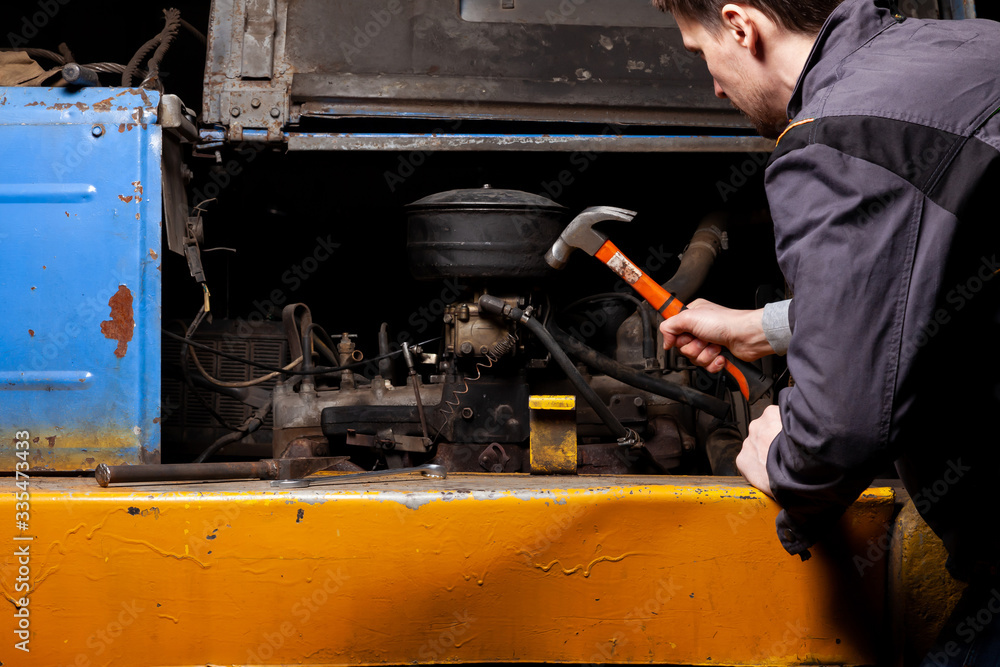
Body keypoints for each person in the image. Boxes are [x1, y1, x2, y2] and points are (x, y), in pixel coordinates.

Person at [651, 0, 1000, 664]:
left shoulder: (839, 138)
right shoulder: (974, 55)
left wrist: (783, 459)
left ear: (740, 25)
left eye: (702, 56)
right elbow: (952, 284)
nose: (715, 86)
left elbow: (842, 426)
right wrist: (765, 326)